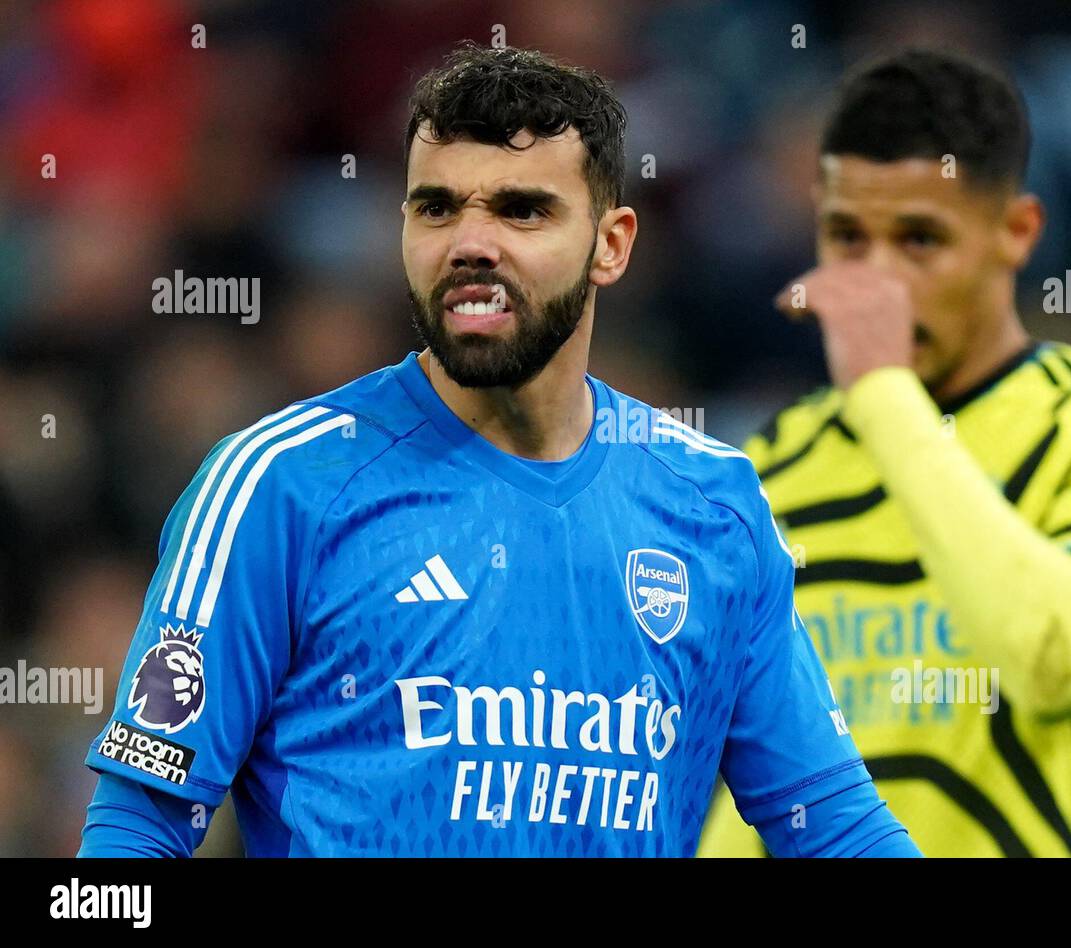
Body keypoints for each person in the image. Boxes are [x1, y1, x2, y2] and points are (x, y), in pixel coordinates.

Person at [77, 44, 919, 858]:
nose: (470, 242)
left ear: (612, 244)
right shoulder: (279, 486)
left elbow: (834, 827)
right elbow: (140, 829)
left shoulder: (715, 505)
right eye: (436, 207)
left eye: (522, 209)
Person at [698, 48, 1071, 858]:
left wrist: (883, 392)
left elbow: (1062, 658)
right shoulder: (774, 461)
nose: (873, 282)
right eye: (845, 236)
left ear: (1017, 232)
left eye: (918, 240)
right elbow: (736, 771)